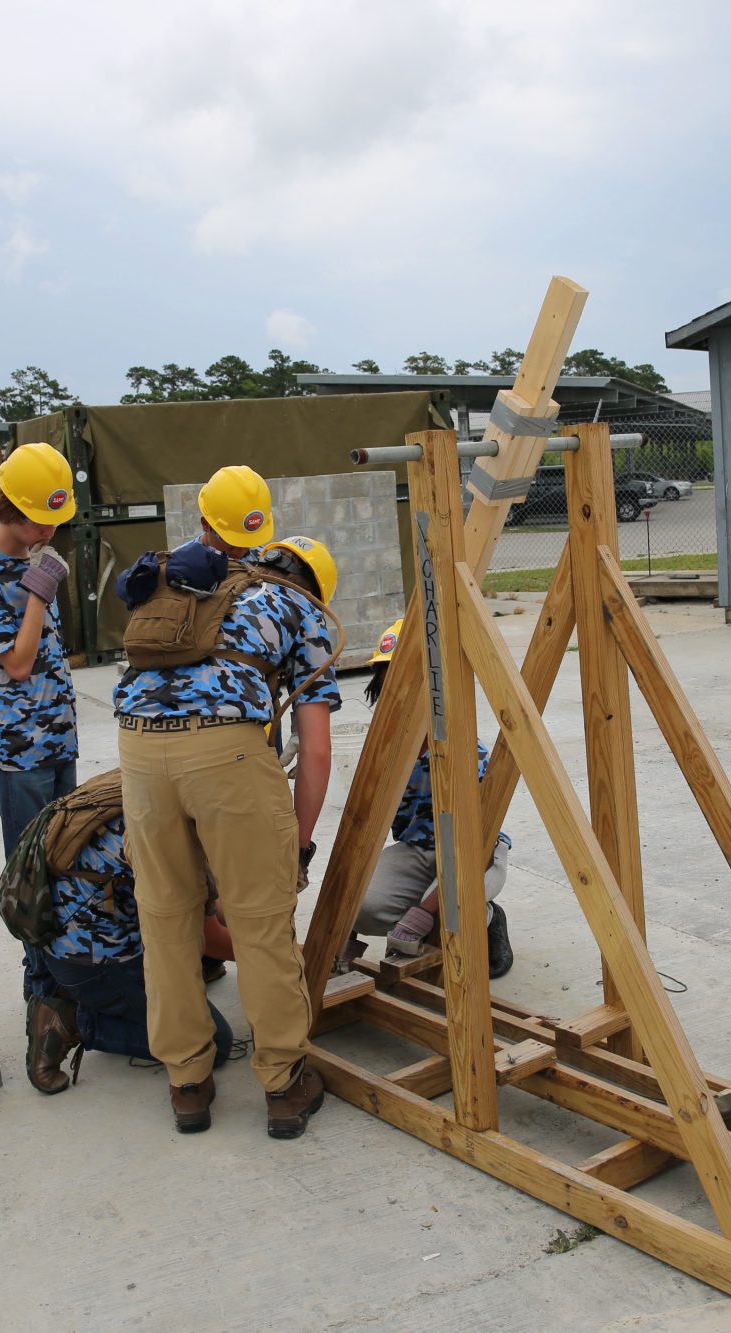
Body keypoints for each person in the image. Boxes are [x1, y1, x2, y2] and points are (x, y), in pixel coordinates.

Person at [114, 467, 341, 1139]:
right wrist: (297, 843)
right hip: (227, 754)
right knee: (261, 920)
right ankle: (283, 1083)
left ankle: (188, 1083)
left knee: (165, 917)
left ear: (204, 523)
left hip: (138, 752)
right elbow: (317, 751)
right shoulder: (298, 607)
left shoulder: (165, 581)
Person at [0, 441, 81, 1077]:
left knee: (71, 861)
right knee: (35, 875)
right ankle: (41, 1000)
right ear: (9, 509)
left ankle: (66, 987)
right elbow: (17, 662)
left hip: (56, 736)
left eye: (56, 520)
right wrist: (38, 592)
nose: (49, 532)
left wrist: (39, 575)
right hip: (18, 752)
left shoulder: (36, 556)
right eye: (39, 520)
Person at [24, 775, 236, 1093]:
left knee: (185, 916)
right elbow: (213, 935)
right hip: (95, 964)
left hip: (58, 937)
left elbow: (216, 904)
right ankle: (76, 1022)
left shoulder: (146, 783)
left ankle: (103, 996)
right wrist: (286, 956)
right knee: (210, 1042)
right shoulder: (173, 836)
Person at [348, 619, 515, 976]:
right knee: (365, 907)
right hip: (416, 848)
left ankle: (486, 918)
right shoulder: (386, 751)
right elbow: (364, 825)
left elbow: (471, 842)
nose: (400, 697)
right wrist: (343, 925)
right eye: (390, 685)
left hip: (475, 849)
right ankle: (440, 908)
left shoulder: (468, 754)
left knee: (454, 905)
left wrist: (426, 911)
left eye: (412, 684)